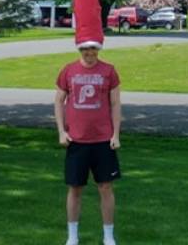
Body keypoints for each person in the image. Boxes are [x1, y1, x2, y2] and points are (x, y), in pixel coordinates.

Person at [54, 40, 122, 245]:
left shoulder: (109, 71)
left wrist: (116, 134)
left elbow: (115, 103)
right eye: (85, 49)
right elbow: (59, 101)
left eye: (92, 49)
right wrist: (61, 131)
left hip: (103, 140)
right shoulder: (68, 70)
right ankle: (72, 236)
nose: (89, 53)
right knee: (75, 188)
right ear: (80, 49)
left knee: (105, 187)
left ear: (98, 49)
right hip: (76, 140)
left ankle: (108, 236)